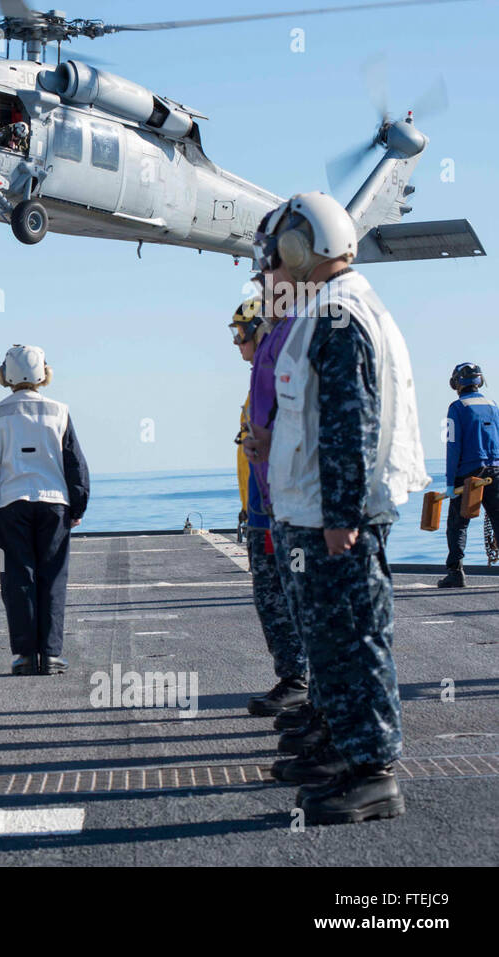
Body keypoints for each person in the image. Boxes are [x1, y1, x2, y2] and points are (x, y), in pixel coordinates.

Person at [254, 192, 430, 824]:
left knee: (354, 643)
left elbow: (346, 427)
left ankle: (371, 774)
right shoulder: (331, 309)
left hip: (333, 519)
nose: (270, 269)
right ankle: (338, 750)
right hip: (317, 513)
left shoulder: (337, 315)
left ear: (301, 250)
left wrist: (341, 518)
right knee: (332, 647)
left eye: (275, 255)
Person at [0, 345, 89, 676]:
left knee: (16, 579)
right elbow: (75, 463)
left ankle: (24, 655)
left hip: (11, 505)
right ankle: (52, 655)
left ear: (5, 375)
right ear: (44, 373)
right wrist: (79, 503)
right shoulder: (59, 411)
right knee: (53, 578)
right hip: (55, 503)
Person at [233, 295, 310, 720]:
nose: (237, 342)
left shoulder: (277, 379)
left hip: (277, 516)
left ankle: (298, 681)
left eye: (240, 332)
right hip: (263, 512)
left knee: (283, 599)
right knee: (274, 599)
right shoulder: (259, 383)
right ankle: (297, 680)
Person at [437, 362, 499, 587]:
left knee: (457, 524)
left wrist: (450, 483)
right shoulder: (493, 405)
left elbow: (453, 446)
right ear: (479, 381)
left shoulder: (457, 408)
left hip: (469, 476)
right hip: (496, 472)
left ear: (456, 383)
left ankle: (456, 572)